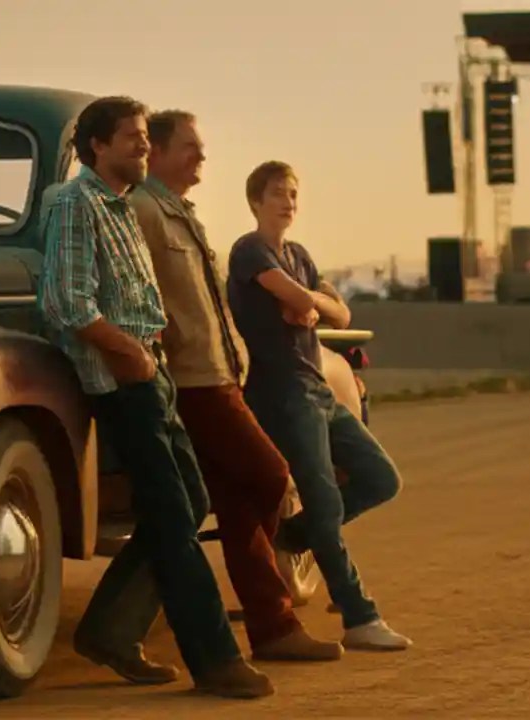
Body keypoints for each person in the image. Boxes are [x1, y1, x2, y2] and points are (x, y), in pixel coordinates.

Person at [36, 95, 273, 699]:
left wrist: (153, 339)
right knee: (172, 517)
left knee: (191, 499)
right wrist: (129, 350)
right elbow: (66, 302)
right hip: (120, 383)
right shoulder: (75, 204)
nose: (144, 146)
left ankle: (110, 630)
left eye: (145, 136)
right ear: (97, 146)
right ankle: (216, 661)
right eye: (133, 138)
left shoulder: (120, 207)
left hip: (152, 373)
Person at [124, 108, 342, 663]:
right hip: (193, 381)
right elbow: (140, 298)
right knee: (271, 479)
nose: (201, 156)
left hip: (221, 374)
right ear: (161, 152)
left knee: (236, 505)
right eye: (190, 147)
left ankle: (273, 629)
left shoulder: (181, 213)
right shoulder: (144, 211)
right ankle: (255, 615)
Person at [225, 160, 413, 651]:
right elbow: (293, 297)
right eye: (278, 194)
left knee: (380, 478)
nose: (288, 202)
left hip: (317, 390)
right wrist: (304, 299)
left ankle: (293, 535)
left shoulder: (298, 255)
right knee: (325, 498)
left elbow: (339, 311)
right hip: (282, 392)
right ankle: (358, 615)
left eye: (292, 193)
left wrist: (307, 300)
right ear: (255, 202)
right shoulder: (250, 251)